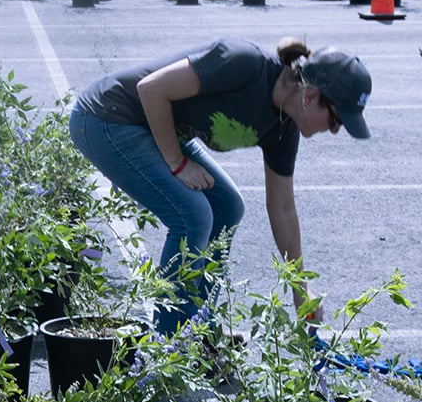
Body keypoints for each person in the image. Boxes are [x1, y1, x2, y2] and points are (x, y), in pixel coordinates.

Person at [68, 37, 372, 336]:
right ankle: (170, 347)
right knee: (193, 216)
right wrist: (178, 163)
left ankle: (199, 329)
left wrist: (300, 289)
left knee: (228, 207)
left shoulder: (283, 128)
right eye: (336, 120)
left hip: (150, 130)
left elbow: (282, 208)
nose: (334, 131)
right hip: (105, 118)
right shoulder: (244, 63)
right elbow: (151, 89)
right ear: (311, 96)